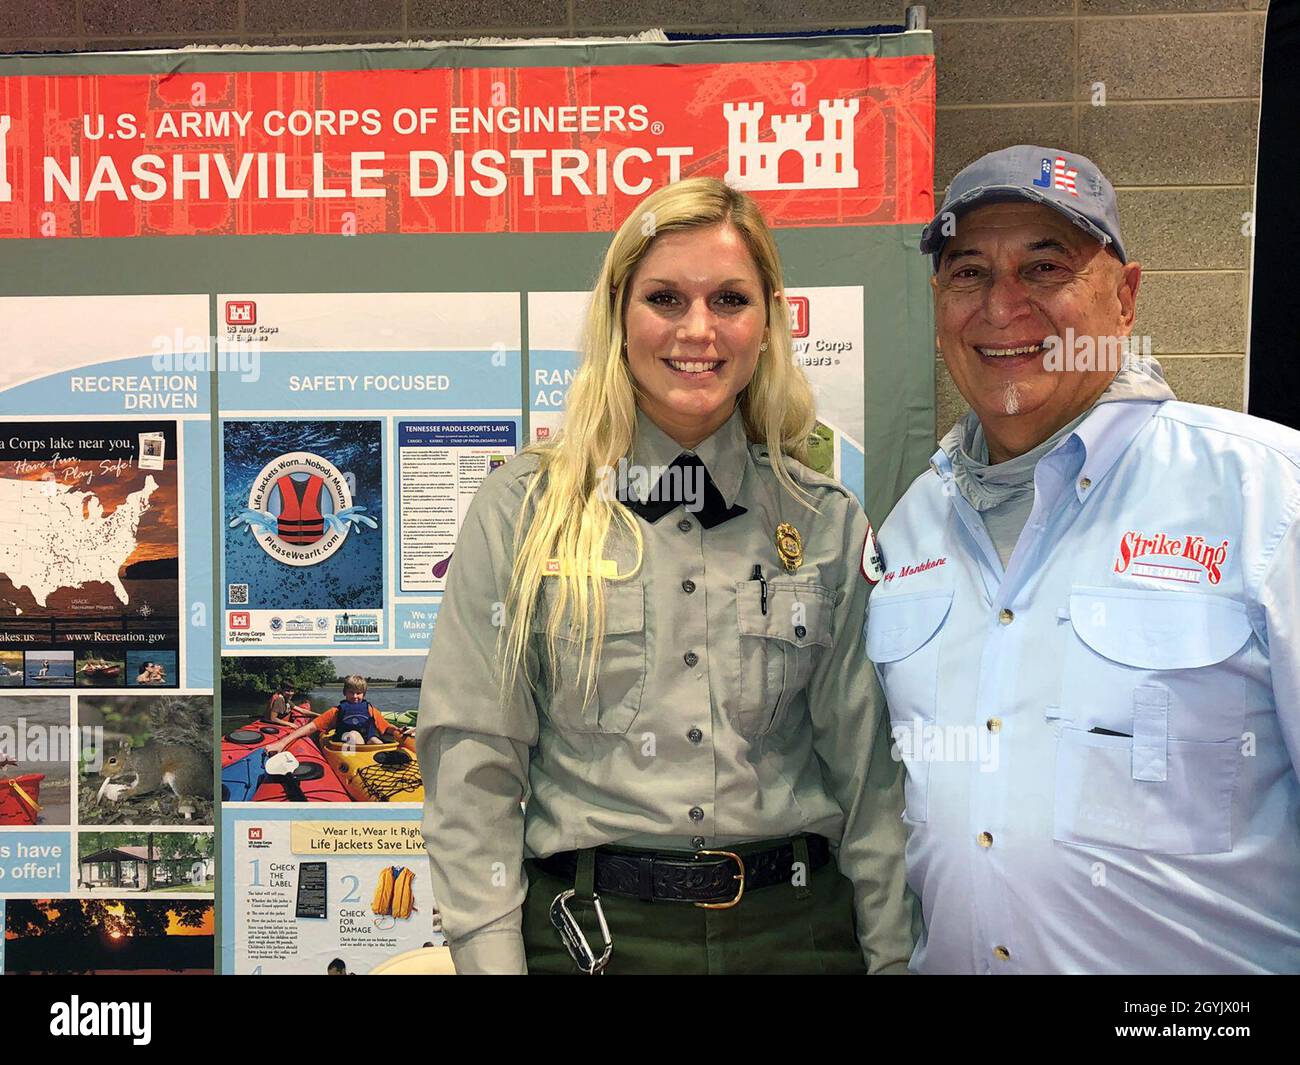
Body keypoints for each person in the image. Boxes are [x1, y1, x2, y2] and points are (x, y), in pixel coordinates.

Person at [417, 176, 912, 975]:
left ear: (767, 322)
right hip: (591, 940)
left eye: (729, 299)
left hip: (795, 935)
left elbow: (871, 780)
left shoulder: (823, 522)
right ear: (619, 314)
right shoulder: (525, 511)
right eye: (665, 299)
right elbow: (472, 763)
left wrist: (893, 962)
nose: (698, 329)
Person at [866, 144, 1300, 974]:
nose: (1002, 306)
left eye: (1046, 266)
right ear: (937, 299)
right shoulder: (910, 528)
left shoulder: (1266, 499)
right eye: (968, 273)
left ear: (1126, 297)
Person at [267, 675, 404, 752]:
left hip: (368, 743)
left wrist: (398, 730)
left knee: (375, 740)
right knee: (354, 735)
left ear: (364, 694)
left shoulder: (370, 709)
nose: (355, 696)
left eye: (359, 693)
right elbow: (309, 728)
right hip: (348, 746)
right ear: (344, 693)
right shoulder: (336, 712)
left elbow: (386, 728)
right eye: (351, 692)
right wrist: (282, 743)